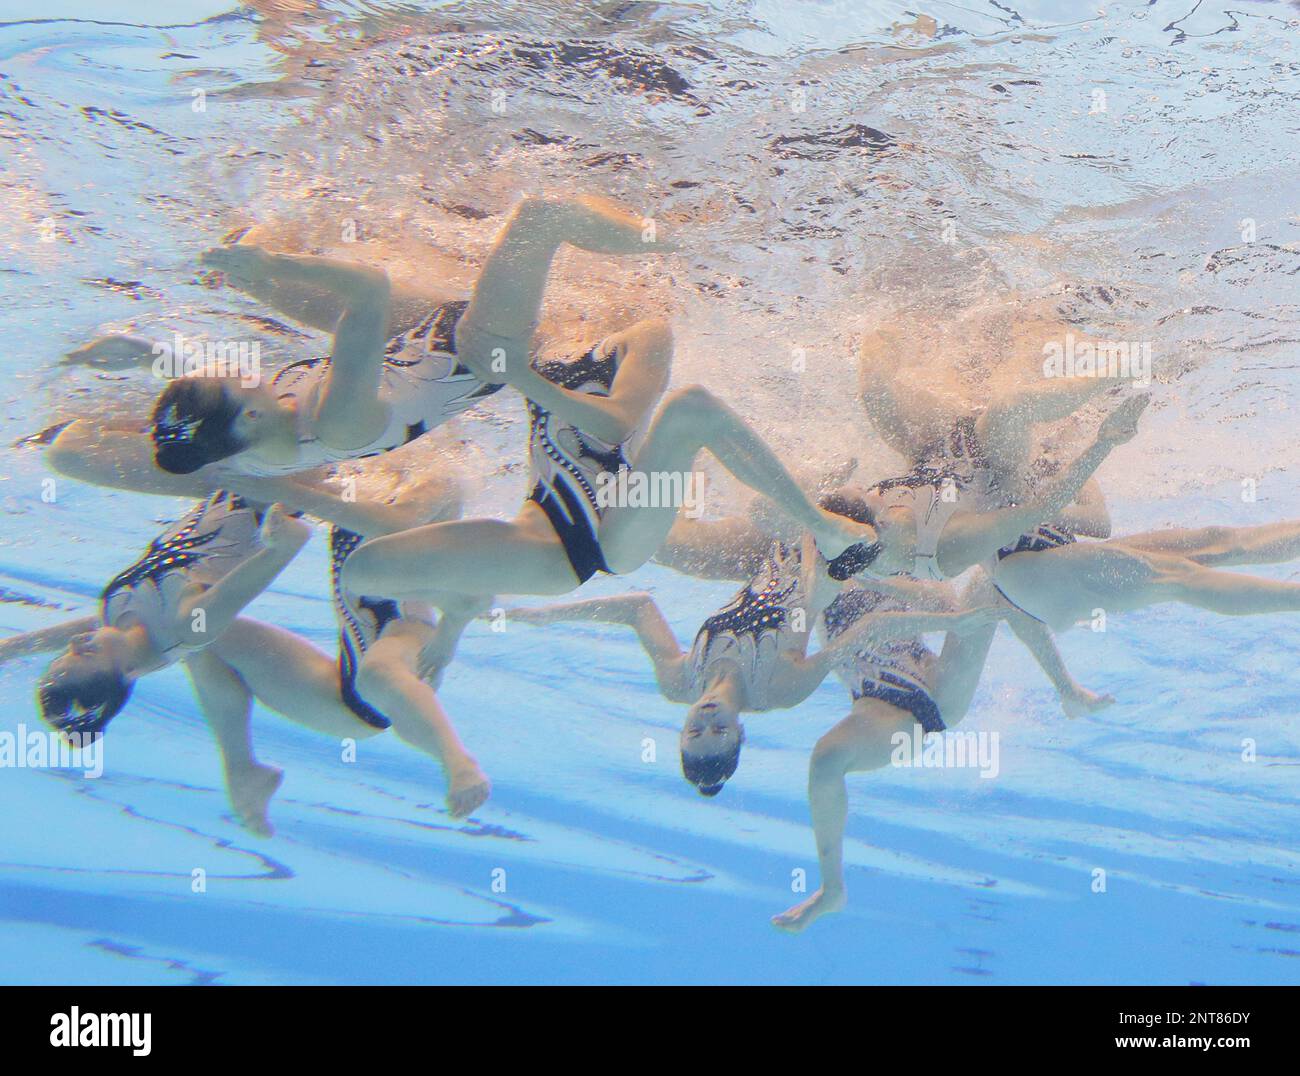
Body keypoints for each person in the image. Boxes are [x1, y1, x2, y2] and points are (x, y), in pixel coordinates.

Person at [40, 196, 668, 497]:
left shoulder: (240, 444)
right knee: (539, 218)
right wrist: (270, 264)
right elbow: (367, 291)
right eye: (234, 382)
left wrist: (148, 356)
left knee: (240, 265)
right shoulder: (335, 422)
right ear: (249, 414)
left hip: (415, 340)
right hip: (482, 349)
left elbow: (185, 444)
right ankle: (675, 238)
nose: (237, 370)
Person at [0, 474, 489, 832]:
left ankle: (240, 770)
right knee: (374, 668)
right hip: (379, 670)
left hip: (340, 558)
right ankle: (456, 760)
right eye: (83, 657)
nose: (77, 643)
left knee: (204, 650)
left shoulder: (122, 618)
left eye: (66, 652)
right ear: (126, 672)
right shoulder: (191, 623)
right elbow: (280, 553)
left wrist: (12, 646)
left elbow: (93, 634)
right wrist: (280, 543)